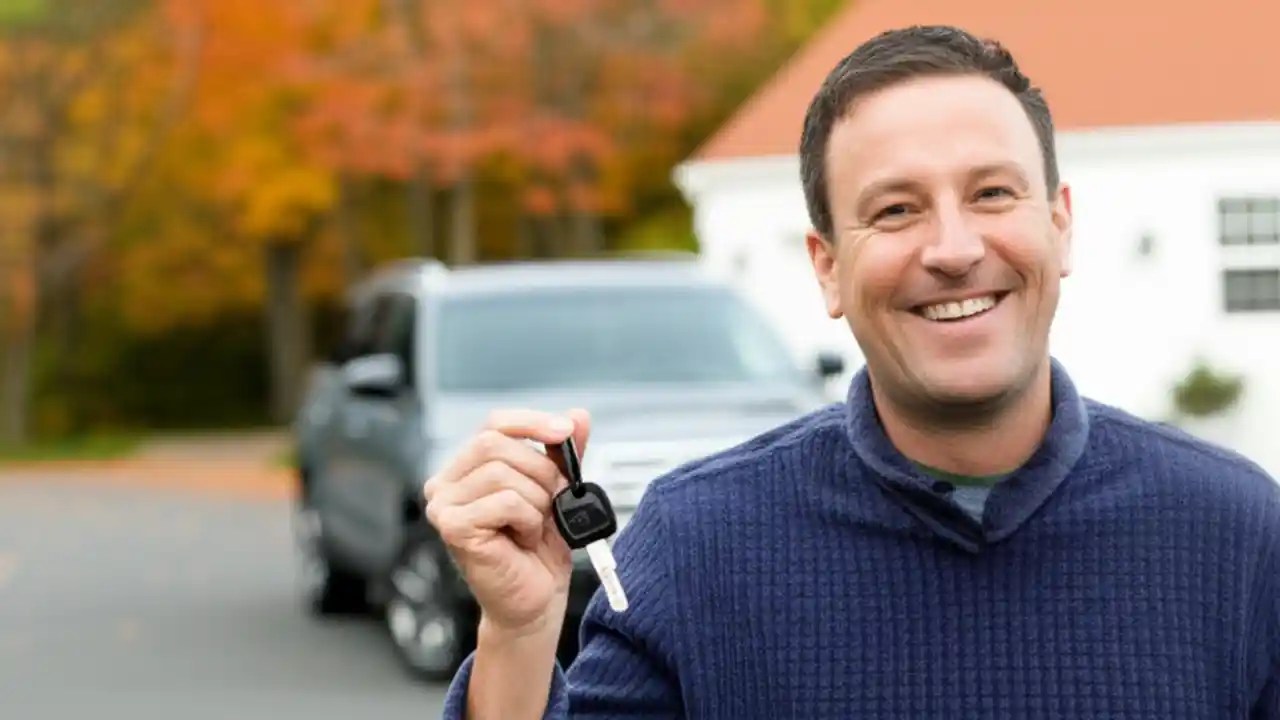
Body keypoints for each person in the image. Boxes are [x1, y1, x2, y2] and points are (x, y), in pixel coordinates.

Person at [424, 25, 1280, 719]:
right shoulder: (698, 548)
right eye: (896, 210)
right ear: (827, 266)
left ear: (1059, 227)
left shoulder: (1238, 535)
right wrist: (519, 636)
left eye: (992, 193)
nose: (954, 249)